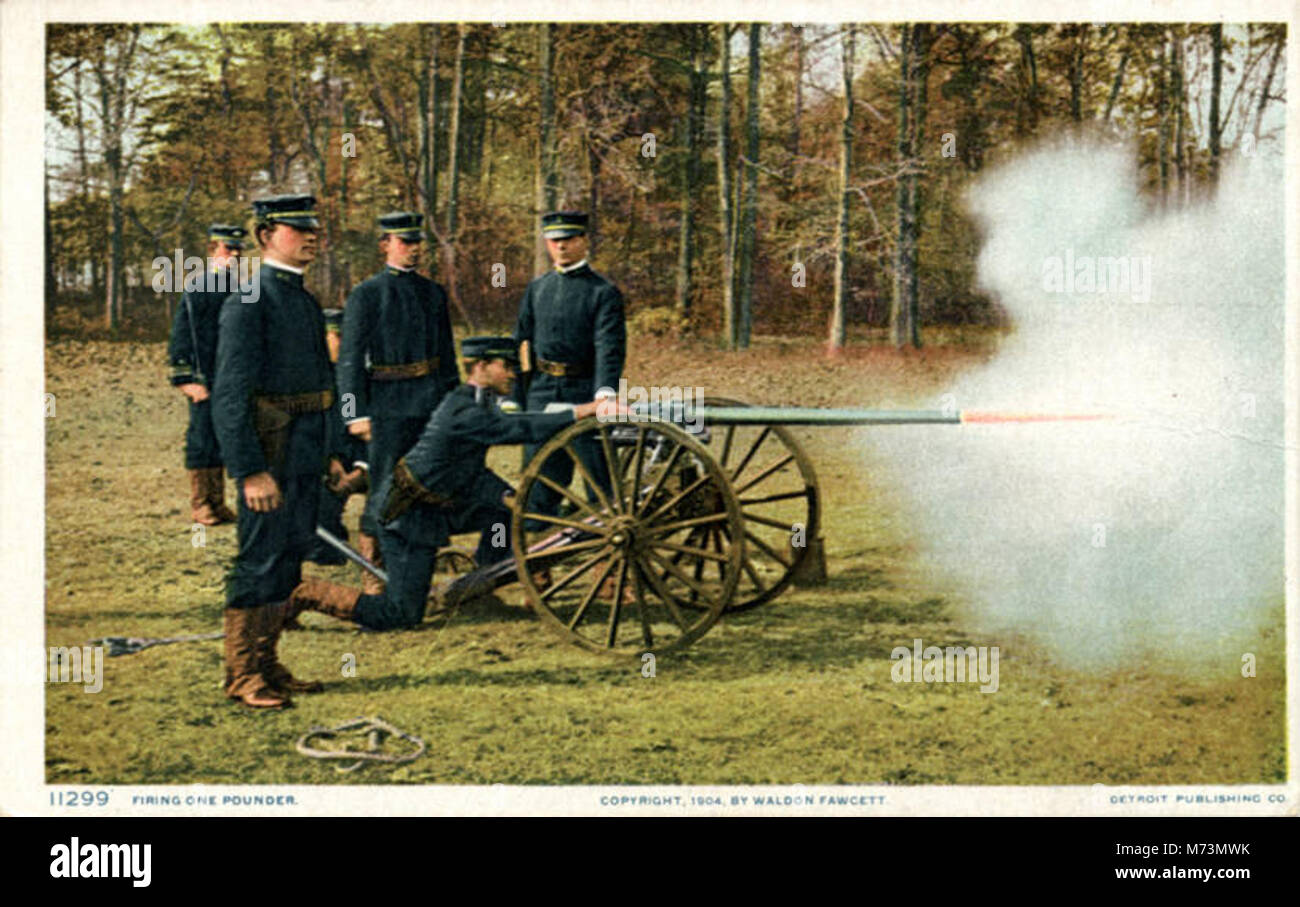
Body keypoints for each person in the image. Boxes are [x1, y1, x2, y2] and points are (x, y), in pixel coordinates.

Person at [284, 337, 620, 632]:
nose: (513, 373)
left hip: (440, 506)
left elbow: (469, 466)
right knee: (402, 613)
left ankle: (480, 586)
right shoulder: (463, 410)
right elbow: (519, 428)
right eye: (506, 366)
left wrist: (505, 495)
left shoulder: (480, 401)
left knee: (499, 515)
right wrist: (587, 410)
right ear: (481, 366)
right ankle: (302, 593)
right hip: (407, 519)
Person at [211, 194, 344, 709]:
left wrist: (331, 452)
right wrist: (249, 471)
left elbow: (322, 383)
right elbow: (229, 396)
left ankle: (268, 663)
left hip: (306, 450)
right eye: (297, 229)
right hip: (270, 453)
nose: (311, 237)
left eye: (313, 229)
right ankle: (243, 675)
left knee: (290, 556)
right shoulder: (247, 300)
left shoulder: (305, 299)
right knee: (258, 559)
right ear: (267, 236)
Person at [337, 212, 459, 597]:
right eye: (404, 242)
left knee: (426, 483)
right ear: (385, 245)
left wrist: (454, 403)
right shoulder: (366, 294)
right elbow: (350, 360)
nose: (413, 250)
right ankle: (372, 572)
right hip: (386, 405)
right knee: (383, 486)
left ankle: (416, 568)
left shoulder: (433, 293)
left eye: (417, 243)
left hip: (430, 401)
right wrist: (353, 413)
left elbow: (447, 356)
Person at [512, 211, 626, 585]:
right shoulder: (537, 288)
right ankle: (539, 571)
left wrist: (606, 393)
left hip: (585, 392)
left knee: (601, 486)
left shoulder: (602, 292)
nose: (561, 246)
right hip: (542, 393)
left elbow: (609, 346)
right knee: (541, 483)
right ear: (547, 243)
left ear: (583, 242)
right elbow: (520, 343)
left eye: (569, 239)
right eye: (554, 240)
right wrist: (518, 397)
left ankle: (608, 574)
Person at [167, 223, 246, 525]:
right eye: (228, 249)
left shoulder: (242, 288)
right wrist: (186, 380)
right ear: (213, 250)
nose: (234, 255)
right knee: (201, 437)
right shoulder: (198, 288)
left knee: (225, 435)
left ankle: (218, 501)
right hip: (204, 378)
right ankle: (201, 504)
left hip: (231, 376)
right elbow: (181, 336)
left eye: (238, 250)